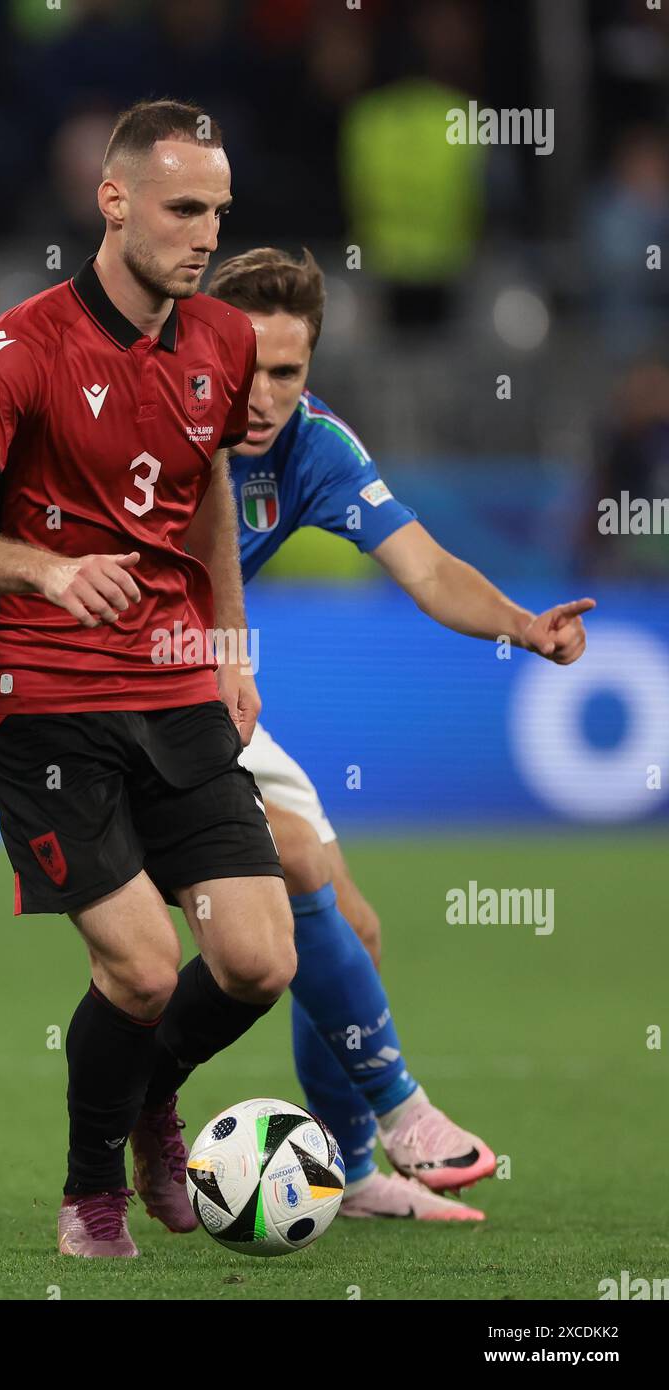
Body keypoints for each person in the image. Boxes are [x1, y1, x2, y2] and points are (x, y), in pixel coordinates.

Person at [0, 100, 297, 1259]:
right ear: (111, 202)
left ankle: (148, 1097)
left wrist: (227, 643)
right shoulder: (20, 348)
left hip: (173, 679)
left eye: (218, 210)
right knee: (139, 967)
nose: (206, 232)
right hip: (41, 689)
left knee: (258, 959)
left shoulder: (220, 340)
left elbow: (208, 491)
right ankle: (90, 1193)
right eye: (182, 208)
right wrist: (49, 573)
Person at [204, 247, 594, 1218]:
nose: (261, 395)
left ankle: (345, 1166)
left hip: (209, 691)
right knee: (291, 860)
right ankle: (401, 1107)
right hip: (109, 695)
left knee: (356, 928)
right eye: (244, 367)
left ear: (311, 370)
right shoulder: (150, 422)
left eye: (287, 373)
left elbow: (423, 567)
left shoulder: (316, 447)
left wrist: (518, 623)